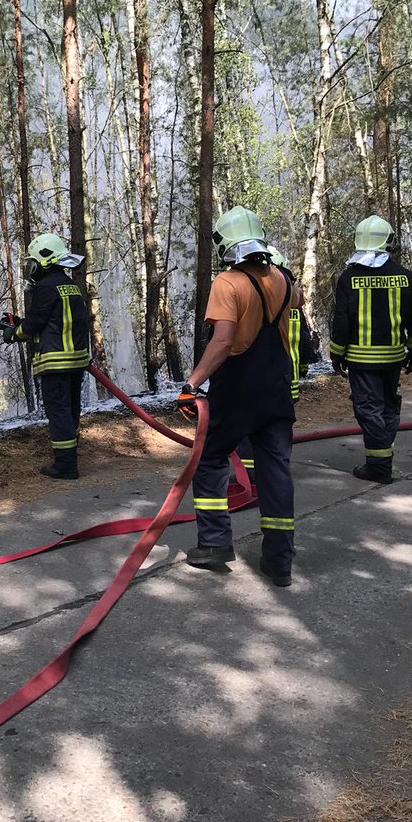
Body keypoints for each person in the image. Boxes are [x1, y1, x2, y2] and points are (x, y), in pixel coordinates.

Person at [181, 207, 299, 586]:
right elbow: (296, 300)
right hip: (277, 386)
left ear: (224, 242)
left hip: (239, 388)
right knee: (275, 469)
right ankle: (279, 560)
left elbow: (224, 341)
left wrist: (193, 384)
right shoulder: (280, 277)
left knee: (211, 457)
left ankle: (215, 544)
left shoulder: (227, 283)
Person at [328, 215, 412, 484]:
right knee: (388, 406)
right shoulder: (404, 276)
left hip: (361, 360)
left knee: (369, 409)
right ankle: (383, 454)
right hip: (393, 358)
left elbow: (341, 320)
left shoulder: (349, 278)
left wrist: (336, 354)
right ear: (388, 243)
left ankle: (379, 466)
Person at [2, 233, 91, 480]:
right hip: (75, 361)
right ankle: (69, 457)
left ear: (45, 259)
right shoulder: (69, 285)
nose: (30, 269)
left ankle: (65, 466)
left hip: (55, 361)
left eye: (32, 262)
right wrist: (19, 323)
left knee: (58, 411)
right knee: (70, 410)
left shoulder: (44, 287)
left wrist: (14, 333)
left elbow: (33, 325)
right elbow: (52, 320)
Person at [236, 245, 312, 487]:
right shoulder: (291, 300)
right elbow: (304, 340)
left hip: (262, 376)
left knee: (249, 426)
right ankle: (278, 468)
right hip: (287, 378)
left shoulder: (259, 300)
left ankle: (251, 473)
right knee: (278, 427)